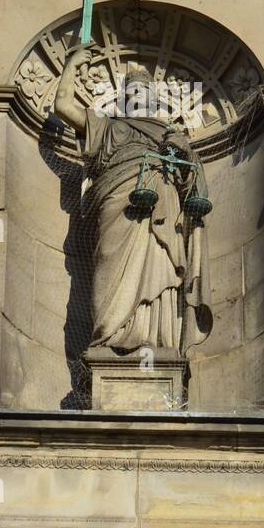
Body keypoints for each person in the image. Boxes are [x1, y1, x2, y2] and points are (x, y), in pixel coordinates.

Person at [54, 44, 211, 357]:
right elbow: (62, 106)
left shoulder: (169, 133)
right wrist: (71, 65)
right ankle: (109, 337)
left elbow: (192, 183)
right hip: (117, 205)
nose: (138, 95)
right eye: (132, 91)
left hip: (161, 208)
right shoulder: (107, 125)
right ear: (123, 98)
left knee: (159, 266)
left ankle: (156, 341)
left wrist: (183, 153)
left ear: (153, 100)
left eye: (144, 91)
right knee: (109, 273)